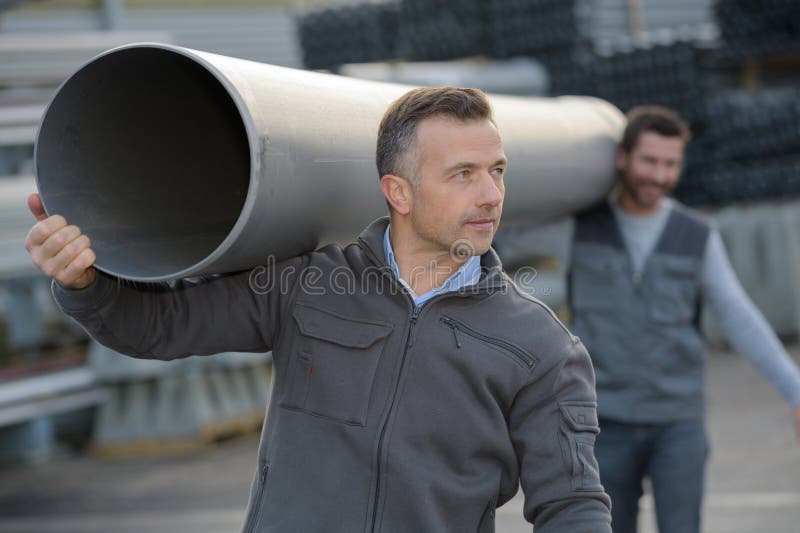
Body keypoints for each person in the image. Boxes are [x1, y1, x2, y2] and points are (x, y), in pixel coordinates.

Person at [24, 87, 612, 532]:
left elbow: (573, 505)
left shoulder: (541, 347)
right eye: (463, 174)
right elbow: (157, 326)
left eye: (497, 171)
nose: (490, 195)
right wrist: (84, 282)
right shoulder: (307, 284)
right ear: (398, 192)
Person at [497, 105, 800, 533]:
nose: (658, 174)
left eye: (670, 164)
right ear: (622, 159)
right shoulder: (576, 228)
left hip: (677, 423)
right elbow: (497, 240)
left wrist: (795, 390)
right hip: (603, 422)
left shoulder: (696, 235)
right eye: (649, 161)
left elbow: (739, 317)